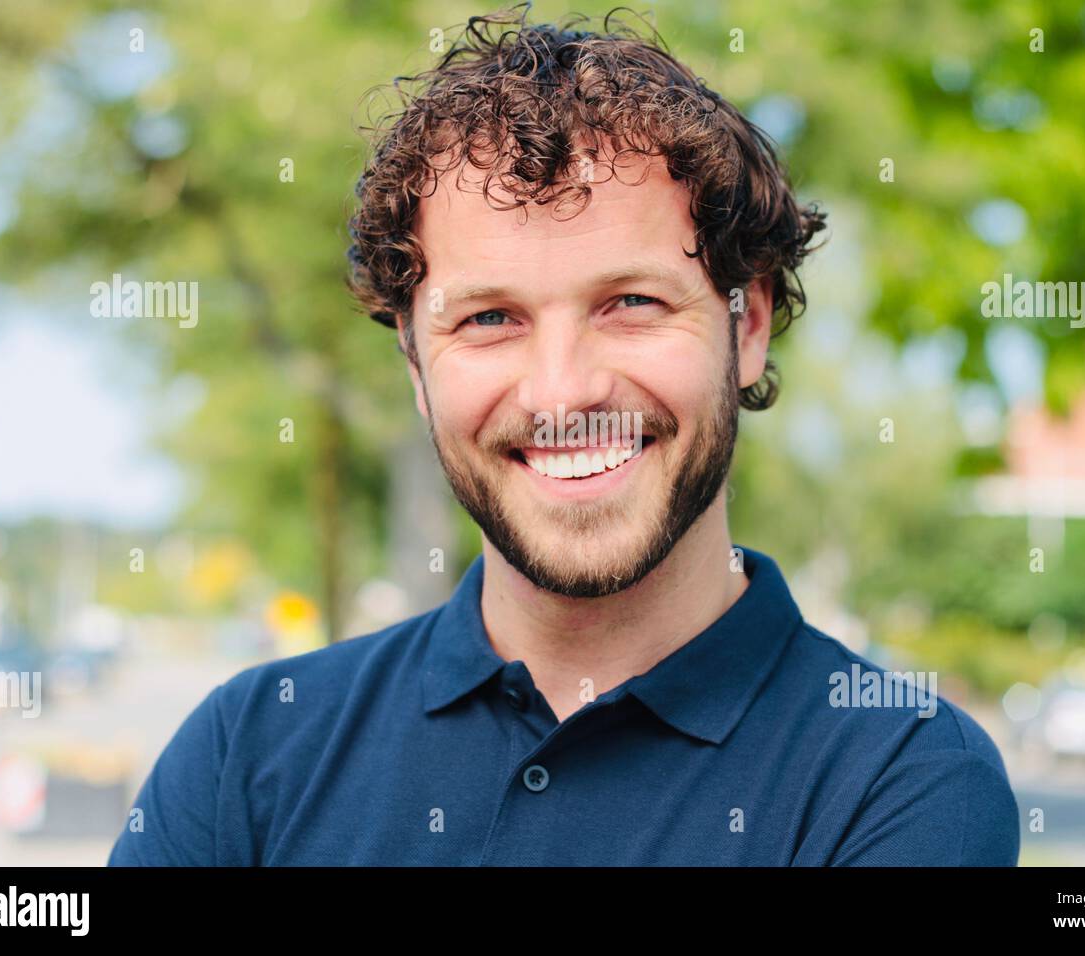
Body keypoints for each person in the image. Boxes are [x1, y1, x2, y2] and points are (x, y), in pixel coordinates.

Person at [109, 6, 1019, 866]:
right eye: (489, 320)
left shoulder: (904, 782)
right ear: (418, 370)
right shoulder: (247, 755)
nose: (561, 392)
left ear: (746, 328)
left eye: (631, 303)